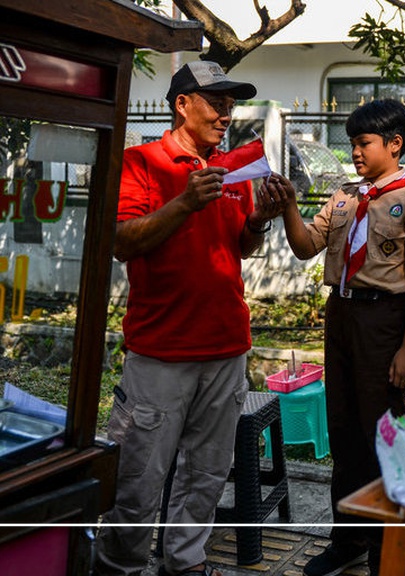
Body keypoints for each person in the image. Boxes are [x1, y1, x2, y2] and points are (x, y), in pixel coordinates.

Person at [95, 61, 288, 576]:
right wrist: (183, 203)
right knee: (138, 474)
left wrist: (258, 222)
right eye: (215, 102)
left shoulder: (235, 170)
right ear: (182, 103)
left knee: (206, 472)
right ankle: (119, 565)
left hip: (226, 345)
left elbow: (241, 247)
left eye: (231, 105)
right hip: (160, 351)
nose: (226, 114)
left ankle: (184, 563)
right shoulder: (142, 162)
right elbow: (120, 242)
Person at [279, 98, 405, 576]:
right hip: (342, 316)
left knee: (382, 436)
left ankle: (384, 549)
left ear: (394, 144)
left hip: (384, 320)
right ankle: (346, 538)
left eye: (363, 142)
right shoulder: (346, 197)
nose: (355, 151)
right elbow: (307, 245)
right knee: (344, 431)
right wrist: (289, 206)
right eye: (351, 142)